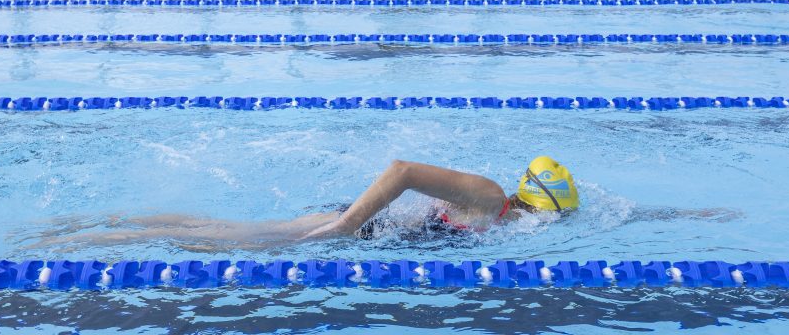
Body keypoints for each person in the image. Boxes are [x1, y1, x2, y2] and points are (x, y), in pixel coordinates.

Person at [28, 156, 579, 250]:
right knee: (225, 241)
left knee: (223, 230)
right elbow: (402, 172)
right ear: (543, 207)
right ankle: (91, 236)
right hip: (357, 224)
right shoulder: (490, 198)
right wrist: (345, 226)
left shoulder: (501, 215)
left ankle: (99, 225)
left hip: (366, 226)